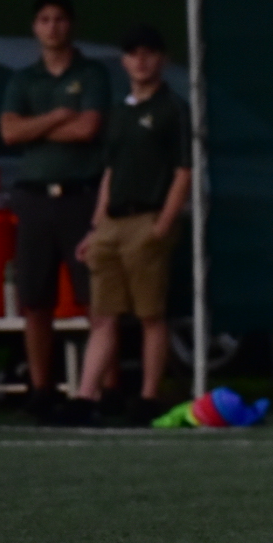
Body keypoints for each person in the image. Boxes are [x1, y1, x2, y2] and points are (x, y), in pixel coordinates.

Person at [69, 25, 192, 426]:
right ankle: (87, 395)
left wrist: (163, 224)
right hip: (113, 221)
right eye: (133, 53)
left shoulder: (172, 108)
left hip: (148, 217)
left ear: (163, 59)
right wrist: (96, 225)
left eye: (149, 52)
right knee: (104, 313)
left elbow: (183, 170)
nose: (140, 61)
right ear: (124, 61)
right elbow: (110, 170)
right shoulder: (119, 112)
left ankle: (147, 396)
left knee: (149, 314)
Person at [0, 0, 111, 421]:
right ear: (35, 28)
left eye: (60, 19)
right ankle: (42, 388)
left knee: (94, 299)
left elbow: (87, 128)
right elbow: (9, 132)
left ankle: (100, 388)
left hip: (79, 197)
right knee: (35, 299)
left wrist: (38, 129)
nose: (52, 27)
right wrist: (57, 116)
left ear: (72, 25)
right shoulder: (24, 80)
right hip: (34, 197)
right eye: (44, 19)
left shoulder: (92, 73)